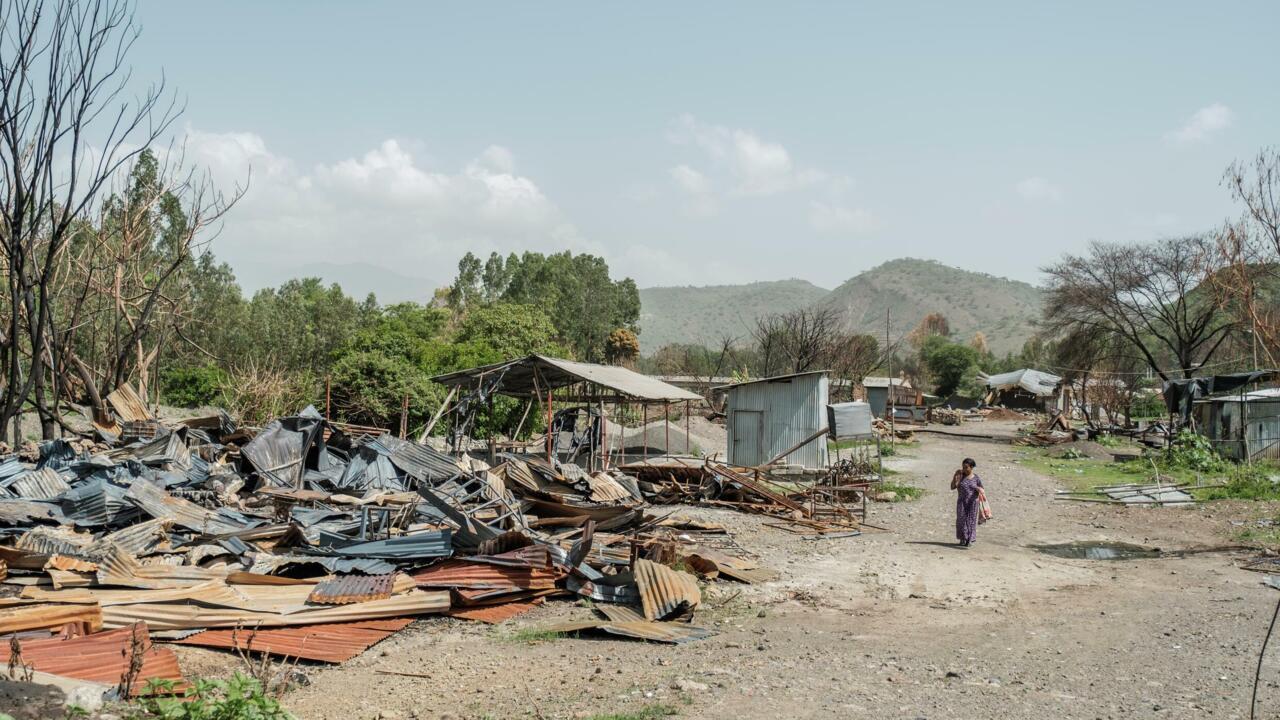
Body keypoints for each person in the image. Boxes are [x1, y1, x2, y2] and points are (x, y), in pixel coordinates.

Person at [951, 457, 983, 547]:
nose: (964, 469)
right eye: (963, 467)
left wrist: (978, 489)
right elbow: (952, 487)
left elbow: (982, 488)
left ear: (971, 467)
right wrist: (955, 477)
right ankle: (962, 538)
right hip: (961, 502)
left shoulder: (976, 478)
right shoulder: (960, 476)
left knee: (971, 521)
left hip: (973, 502)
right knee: (961, 520)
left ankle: (969, 540)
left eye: (966, 467)